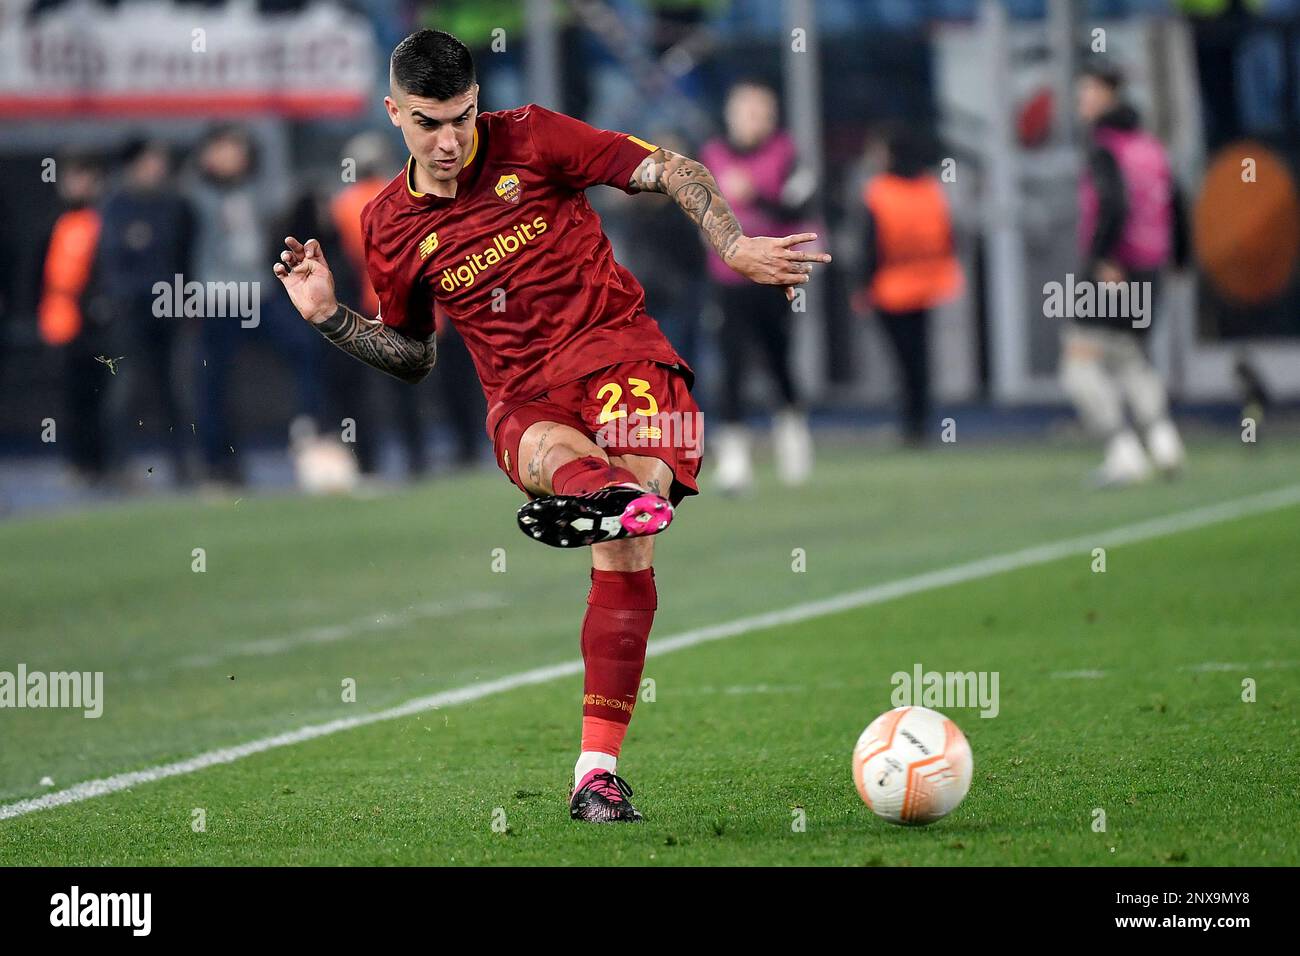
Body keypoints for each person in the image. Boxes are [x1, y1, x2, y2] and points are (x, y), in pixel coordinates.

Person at [272, 30, 830, 822]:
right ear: (395, 113)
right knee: (566, 466)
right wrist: (330, 317)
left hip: (616, 351)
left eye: (462, 117)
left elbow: (673, 167)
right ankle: (596, 500)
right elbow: (414, 357)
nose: (450, 139)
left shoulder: (532, 135)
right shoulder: (389, 224)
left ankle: (596, 760)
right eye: (429, 122)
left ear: (478, 102)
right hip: (524, 399)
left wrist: (733, 244)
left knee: (634, 514)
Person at [1061, 61, 1185, 486]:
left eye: (1086, 93)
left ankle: (1122, 450)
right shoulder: (1150, 145)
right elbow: (1178, 200)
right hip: (1151, 267)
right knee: (1132, 357)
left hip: (1114, 266)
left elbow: (1112, 204)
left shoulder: (1103, 146)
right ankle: (1163, 438)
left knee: (1080, 361)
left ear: (1105, 96)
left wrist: (1100, 259)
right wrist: (1180, 258)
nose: (1080, 102)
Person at [701, 80, 818, 493]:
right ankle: (734, 462)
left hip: (773, 274)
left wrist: (755, 195)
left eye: (762, 112)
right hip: (728, 277)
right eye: (747, 111)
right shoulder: (711, 155)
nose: (754, 120)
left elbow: (800, 205)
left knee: (778, 357)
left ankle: (793, 437)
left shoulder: (787, 154)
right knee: (729, 366)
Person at [97, 138, 196, 484]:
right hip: (130, 311)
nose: (158, 167)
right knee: (125, 387)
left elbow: (182, 254)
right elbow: (113, 258)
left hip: (168, 307)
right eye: (151, 160)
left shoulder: (174, 204)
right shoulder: (116, 204)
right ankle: (118, 466)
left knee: (176, 388)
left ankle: (182, 465)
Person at [858, 125, 963, 446]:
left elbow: (870, 244)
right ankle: (920, 422)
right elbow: (949, 235)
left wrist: (862, 286)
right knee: (919, 358)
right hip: (928, 282)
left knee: (903, 361)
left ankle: (910, 425)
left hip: (891, 287)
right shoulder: (930, 187)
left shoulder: (880, 191)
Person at [38, 152, 113, 485]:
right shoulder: (57, 221)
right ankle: (79, 464)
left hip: (96, 327)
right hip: (61, 323)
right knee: (71, 399)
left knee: (101, 398)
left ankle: (102, 464)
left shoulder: (103, 221)